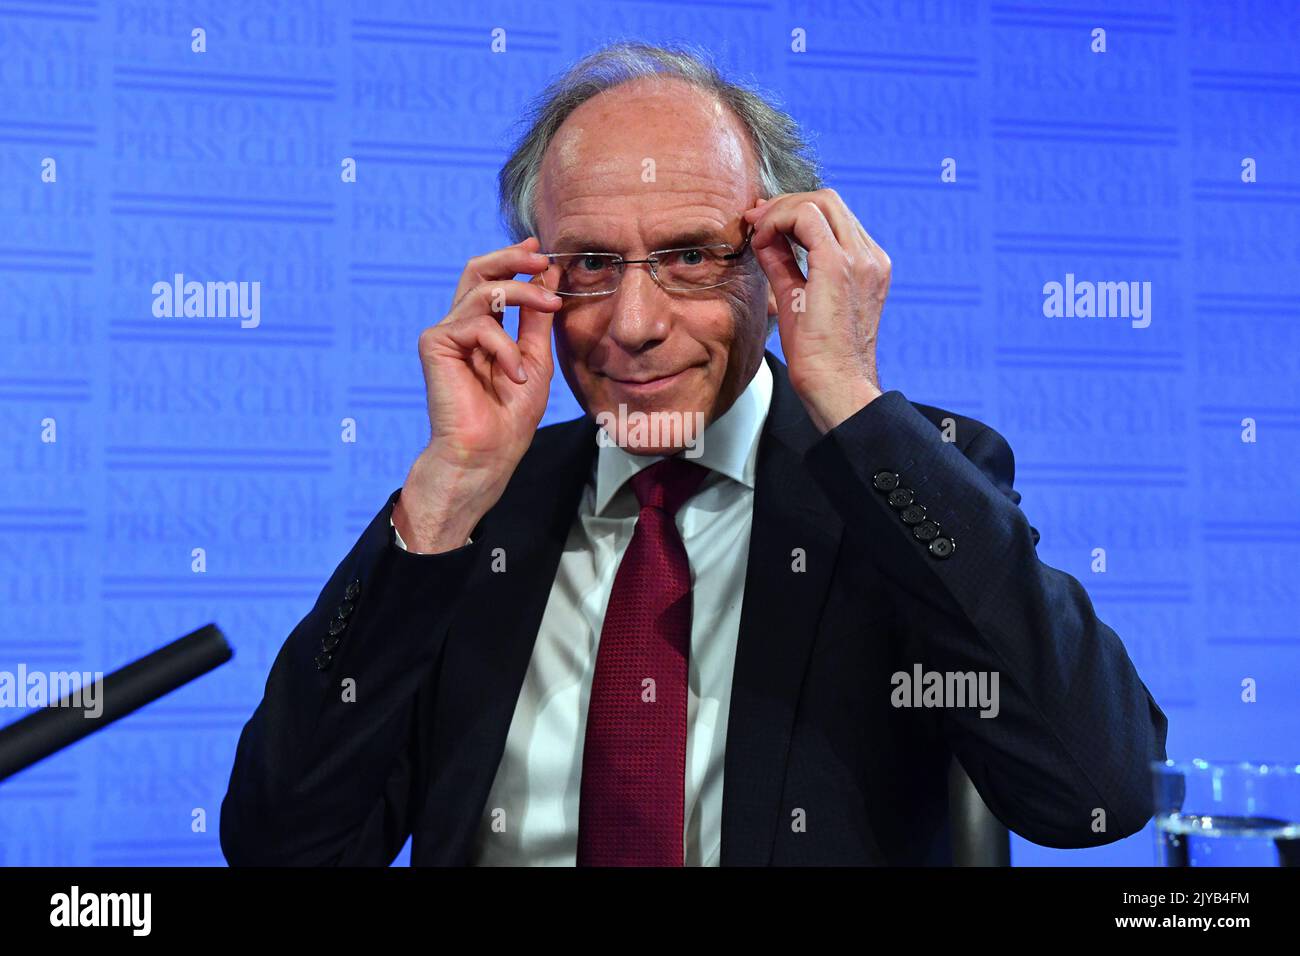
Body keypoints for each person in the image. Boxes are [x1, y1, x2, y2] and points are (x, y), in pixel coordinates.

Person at [220, 41, 1167, 866]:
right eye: (590, 264)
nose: (635, 325)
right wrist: (441, 502)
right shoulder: (482, 511)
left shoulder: (897, 479)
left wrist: (848, 394)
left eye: (690, 257)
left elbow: (1099, 794)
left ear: (781, 257)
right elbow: (282, 846)